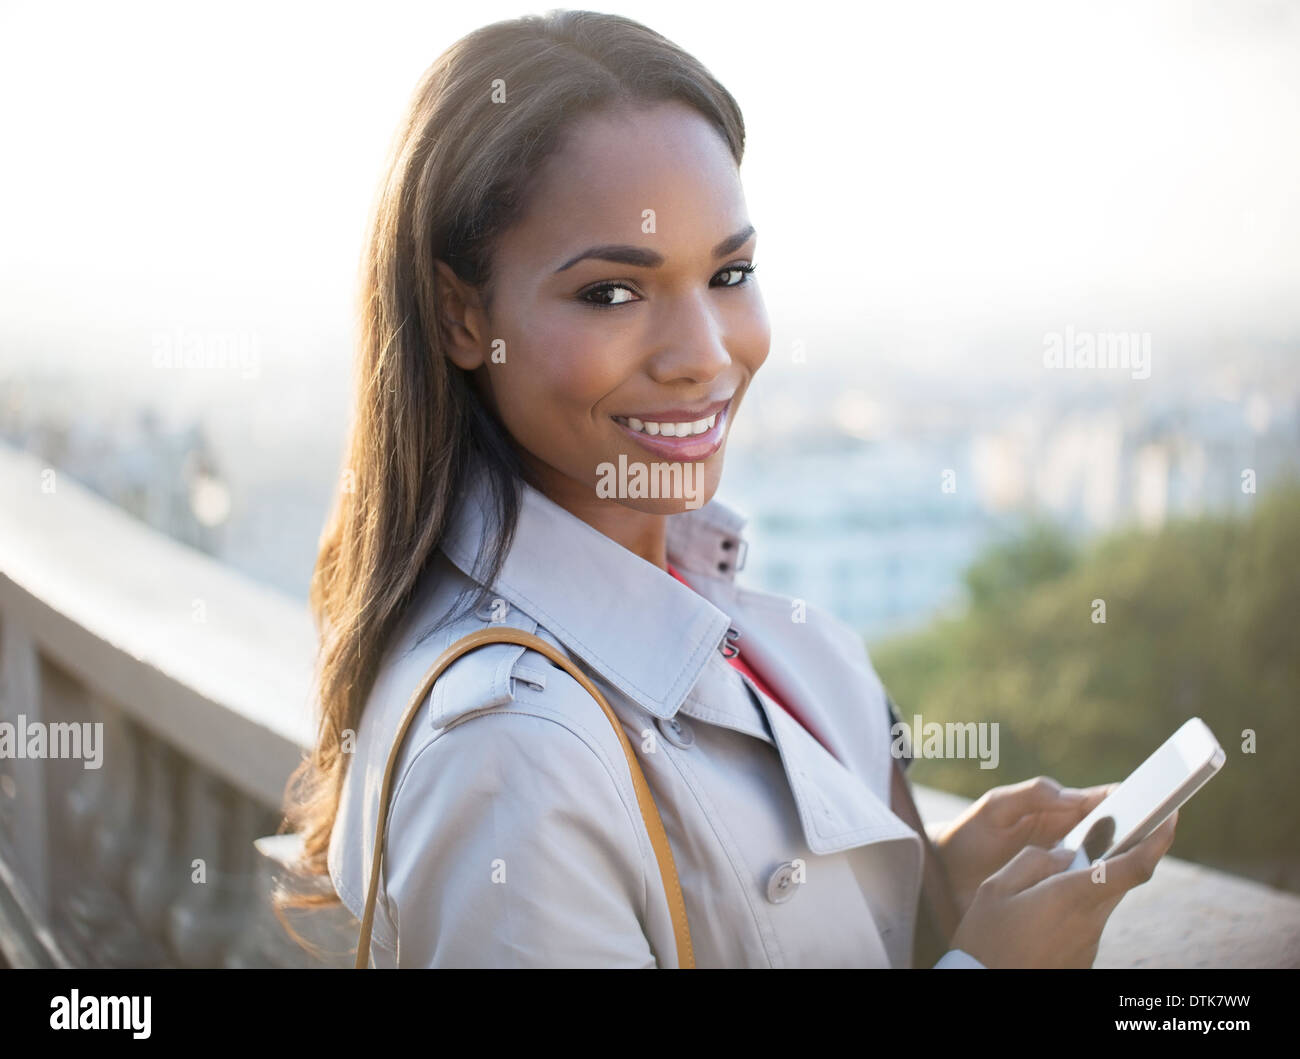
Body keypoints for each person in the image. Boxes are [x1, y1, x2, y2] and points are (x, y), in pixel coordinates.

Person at [278, 9, 1177, 968]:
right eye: (612, 292)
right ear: (462, 316)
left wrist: (924, 892)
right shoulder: (509, 753)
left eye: (729, 273)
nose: (705, 356)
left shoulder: (697, 595)